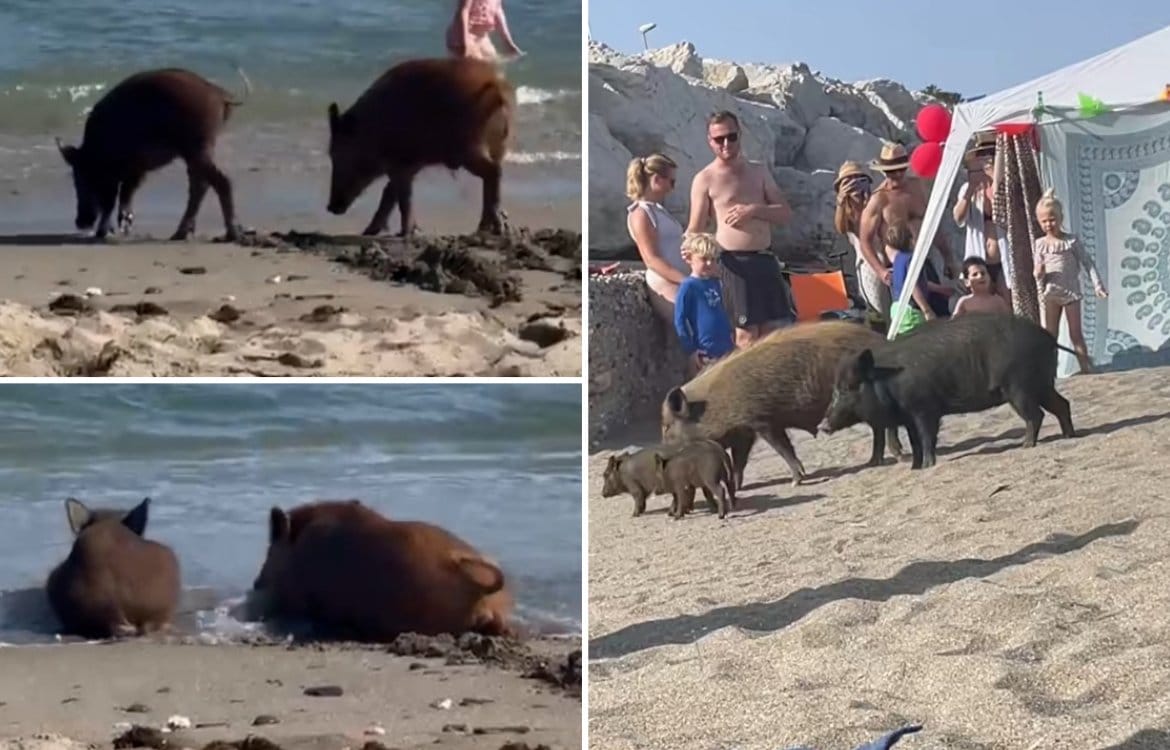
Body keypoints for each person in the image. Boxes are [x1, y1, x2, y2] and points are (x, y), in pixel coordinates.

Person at [686, 110, 795, 349]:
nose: (726, 144)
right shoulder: (705, 178)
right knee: (745, 335)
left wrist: (754, 210)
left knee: (773, 334)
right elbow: (695, 227)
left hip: (764, 259)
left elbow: (785, 213)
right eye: (719, 139)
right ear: (709, 141)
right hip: (732, 263)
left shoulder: (759, 171)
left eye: (731, 137)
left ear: (740, 135)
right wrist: (691, 252)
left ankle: (769, 384)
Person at [859, 142, 961, 313]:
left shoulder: (917, 187)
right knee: (913, 318)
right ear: (884, 171)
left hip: (924, 260)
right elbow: (865, 241)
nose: (898, 174)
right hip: (899, 267)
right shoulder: (879, 200)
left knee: (940, 313)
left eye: (901, 169)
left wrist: (948, 257)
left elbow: (932, 224)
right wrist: (881, 271)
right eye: (892, 171)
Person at [1033, 188, 1107, 374]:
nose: (1048, 224)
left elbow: (1087, 263)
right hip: (1051, 294)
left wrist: (1098, 285)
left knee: (1076, 334)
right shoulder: (1040, 244)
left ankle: (1085, 368)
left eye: (1052, 219)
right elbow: (1037, 271)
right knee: (1050, 336)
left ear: (1060, 218)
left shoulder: (1071, 241)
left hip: (1071, 294)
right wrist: (1038, 273)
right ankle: (1050, 371)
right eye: (1044, 221)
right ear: (1039, 222)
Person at [625, 153, 689, 326]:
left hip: (678, 278)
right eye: (671, 181)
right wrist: (686, 281)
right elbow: (651, 258)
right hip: (666, 280)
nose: (672, 188)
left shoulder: (658, 210)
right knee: (690, 333)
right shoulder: (641, 213)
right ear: (657, 179)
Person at [953, 131, 1012, 307]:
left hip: (1003, 259)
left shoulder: (1005, 186)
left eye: (991, 155)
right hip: (978, 259)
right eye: (983, 156)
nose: (987, 160)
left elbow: (1003, 209)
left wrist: (996, 178)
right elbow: (958, 218)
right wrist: (971, 188)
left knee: (1006, 302)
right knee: (980, 305)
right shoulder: (967, 189)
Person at [833, 160, 889, 321]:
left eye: (860, 179)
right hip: (868, 265)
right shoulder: (847, 212)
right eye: (849, 181)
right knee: (877, 311)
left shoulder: (875, 202)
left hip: (887, 260)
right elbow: (841, 228)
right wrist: (841, 201)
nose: (855, 184)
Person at [673, 232, 735, 375]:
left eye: (713, 260)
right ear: (689, 258)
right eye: (704, 259)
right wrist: (691, 349)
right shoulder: (688, 286)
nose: (709, 264)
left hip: (726, 347)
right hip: (705, 350)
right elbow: (680, 320)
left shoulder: (716, 283)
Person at [887, 222, 937, 337]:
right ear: (911, 238)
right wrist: (926, 310)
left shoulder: (897, 259)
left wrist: (942, 289)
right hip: (910, 311)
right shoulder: (911, 260)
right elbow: (913, 286)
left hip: (896, 309)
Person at [445, 0, 523, 61]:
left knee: (495, 63)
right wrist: (465, 44)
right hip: (463, 36)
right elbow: (463, 11)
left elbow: (498, 12)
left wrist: (508, 43)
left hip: (482, 37)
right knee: (477, 68)